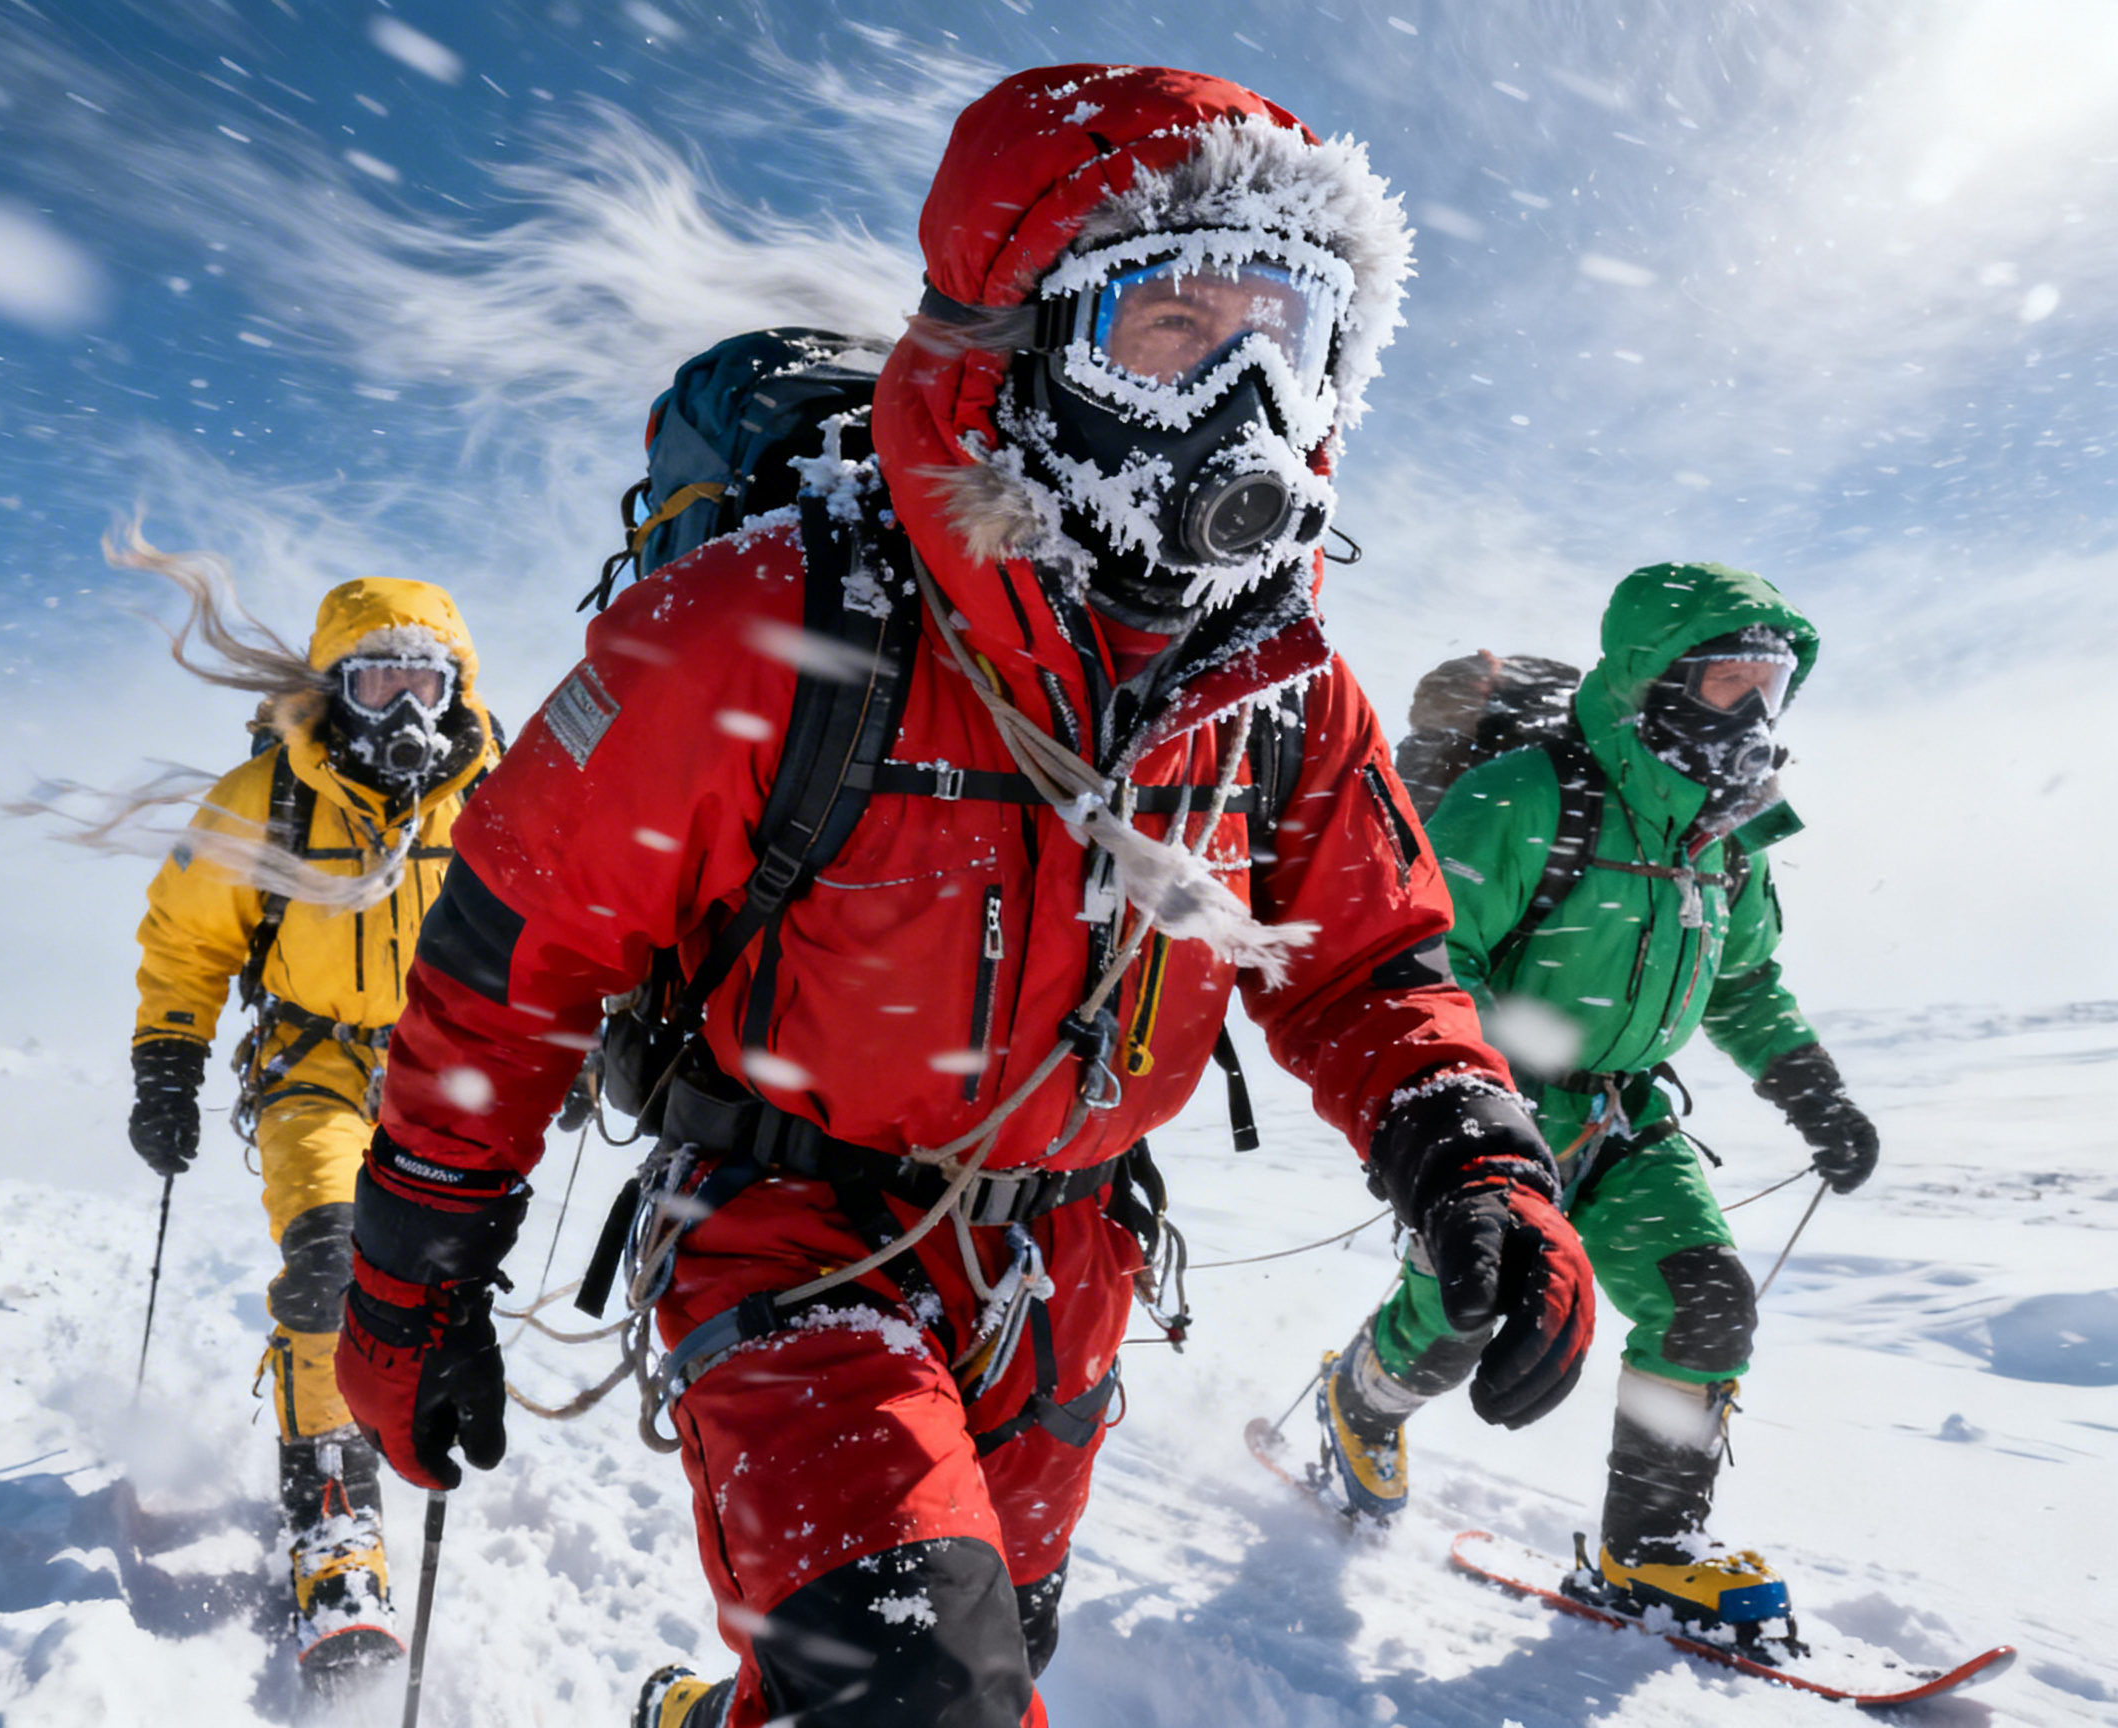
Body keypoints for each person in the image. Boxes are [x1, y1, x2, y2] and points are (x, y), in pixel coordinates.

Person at [332, 64, 1595, 1728]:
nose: (1241, 395)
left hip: (1065, 1269)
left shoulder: (1277, 691)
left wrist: (1472, 1156)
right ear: (1022, 351)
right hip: (787, 1242)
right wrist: (415, 1268)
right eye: (1168, 326)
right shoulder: (767, 623)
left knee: (986, 1655)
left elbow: (1365, 961)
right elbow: (515, 952)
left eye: (1282, 337)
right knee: (922, 1690)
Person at [1313, 561, 1880, 1633]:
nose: (1755, 713)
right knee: (1462, 1315)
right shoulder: (1524, 795)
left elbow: (1743, 983)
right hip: (1492, 1111)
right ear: (1654, 675)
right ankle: (1363, 1402)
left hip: (1627, 1118)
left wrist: (1819, 1099)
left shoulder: (1726, 835)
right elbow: (1431, 960)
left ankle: (1652, 1551)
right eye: (1730, 682)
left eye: (1771, 688)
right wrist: (1490, 1091)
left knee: (1706, 1301)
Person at [127, 570, 498, 1679]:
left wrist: (577, 1030)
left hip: (445, 1074)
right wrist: (168, 1062)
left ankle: (391, 1425)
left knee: (425, 1282)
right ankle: (332, 1511)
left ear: (458, 686)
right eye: (379, 683)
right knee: (332, 1264)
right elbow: (188, 936)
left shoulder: (495, 794)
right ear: (338, 688)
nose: (407, 712)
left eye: (425, 684)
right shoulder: (266, 799)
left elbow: (567, 913)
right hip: (313, 1068)